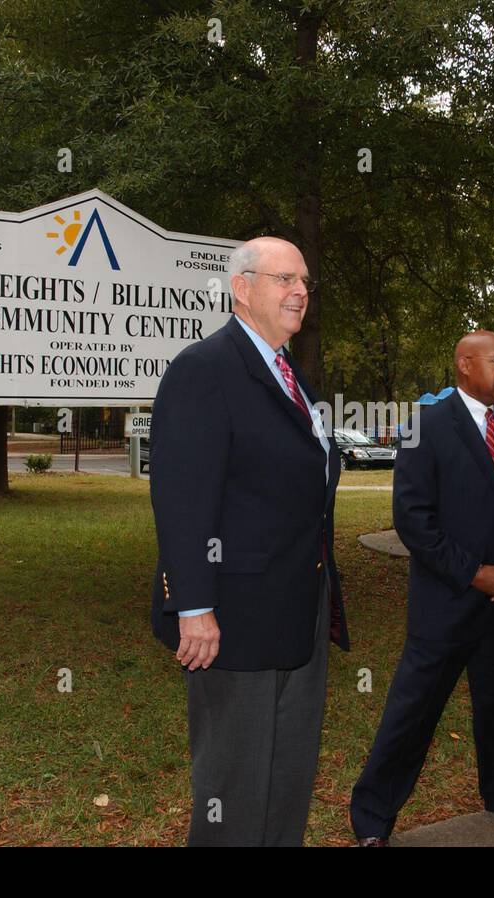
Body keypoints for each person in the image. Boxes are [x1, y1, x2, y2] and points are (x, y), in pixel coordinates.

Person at [149, 236, 348, 846]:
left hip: (298, 607)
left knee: (287, 773)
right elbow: (182, 500)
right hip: (231, 615)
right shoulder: (205, 369)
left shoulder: (293, 378)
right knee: (233, 784)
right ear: (241, 287)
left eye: (305, 282)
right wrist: (195, 607)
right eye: (284, 279)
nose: (299, 293)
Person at [350, 331, 494, 846]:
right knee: (413, 712)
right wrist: (474, 573)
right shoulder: (424, 428)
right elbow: (413, 519)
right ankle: (372, 818)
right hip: (446, 602)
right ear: (463, 364)